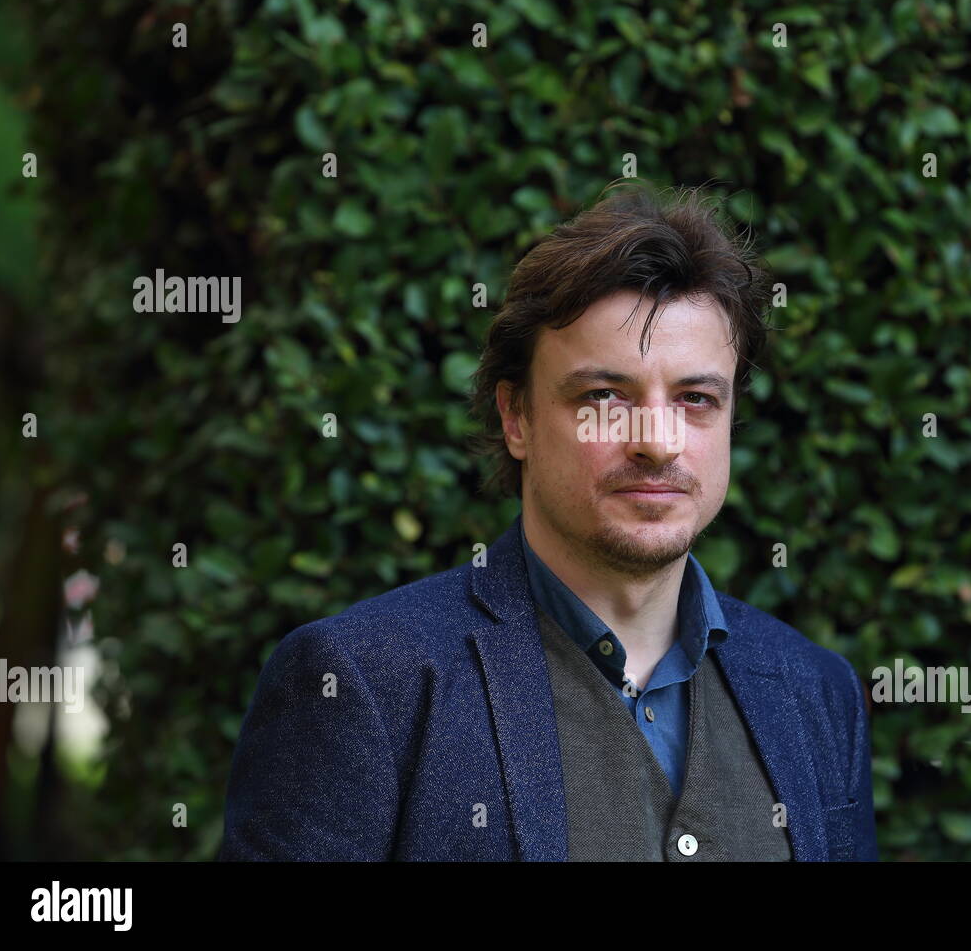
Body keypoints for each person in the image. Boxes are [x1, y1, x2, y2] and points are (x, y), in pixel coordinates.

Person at [218, 181, 877, 861]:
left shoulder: (816, 693)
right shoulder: (364, 683)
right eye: (603, 395)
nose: (657, 440)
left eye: (696, 398)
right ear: (517, 417)